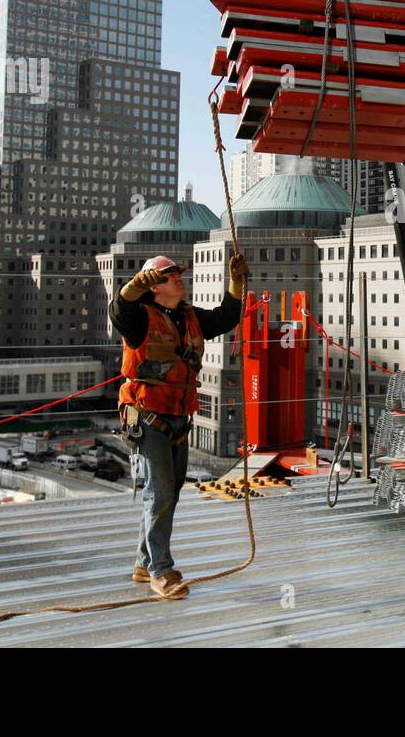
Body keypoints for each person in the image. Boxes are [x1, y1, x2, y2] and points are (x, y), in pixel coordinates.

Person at [110, 252, 248, 599]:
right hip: (147, 415)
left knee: (166, 495)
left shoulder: (188, 317)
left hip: (178, 416)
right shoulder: (139, 318)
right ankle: (161, 570)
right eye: (172, 275)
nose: (180, 279)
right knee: (159, 494)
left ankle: (144, 564)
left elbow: (227, 316)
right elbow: (119, 310)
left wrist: (237, 284)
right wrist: (133, 287)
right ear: (154, 286)